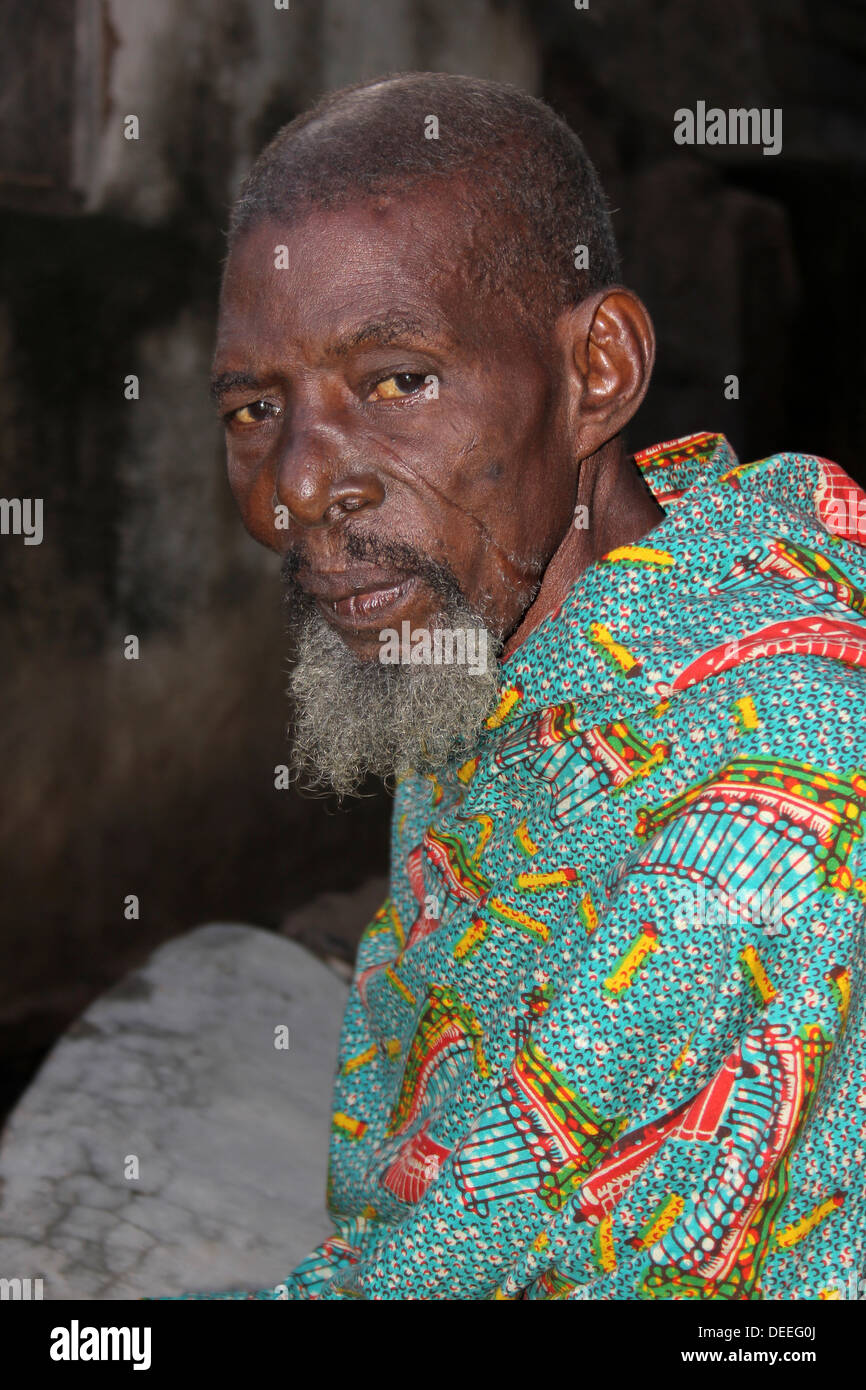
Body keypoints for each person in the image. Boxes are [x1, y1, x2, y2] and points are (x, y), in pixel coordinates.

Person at [193, 72, 866, 1298]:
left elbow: (493, 1259)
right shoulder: (496, 647)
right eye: (254, 408)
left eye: (395, 381)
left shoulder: (773, 773)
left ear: (595, 373)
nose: (293, 488)